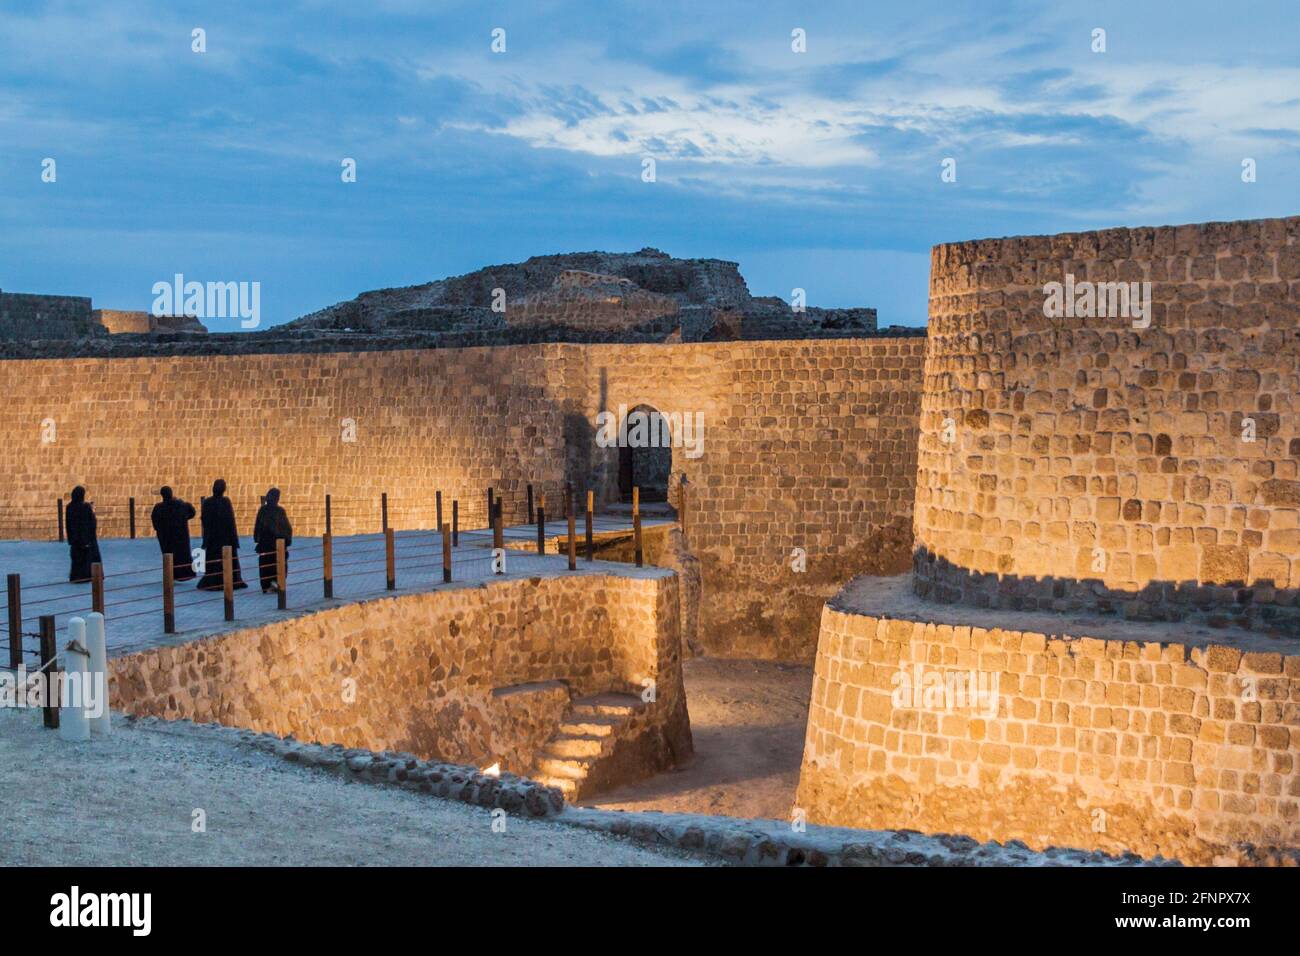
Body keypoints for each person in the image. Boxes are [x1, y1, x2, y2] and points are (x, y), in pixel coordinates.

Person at [196, 479, 247, 590]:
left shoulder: (208, 502)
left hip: (213, 538)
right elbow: (230, 522)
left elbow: (205, 521)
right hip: (226, 538)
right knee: (227, 560)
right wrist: (234, 540)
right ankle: (231, 580)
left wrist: (206, 539)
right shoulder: (225, 502)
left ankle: (213, 581)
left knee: (214, 562)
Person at [150, 486, 197, 581]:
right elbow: (192, 511)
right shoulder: (181, 505)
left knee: (169, 557)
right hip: (180, 537)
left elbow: (155, 522)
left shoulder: (158, 508)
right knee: (182, 556)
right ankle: (185, 574)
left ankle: (170, 575)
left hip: (166, 538)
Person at [253, 487, 293, 593]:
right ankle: (276, 584)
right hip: (277, 545)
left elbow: (258, 527)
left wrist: (257, 539)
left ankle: (266, 586)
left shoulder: (263, 510)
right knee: (278, 565)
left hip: (265, 545)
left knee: (265, 567)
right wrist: (287, 540)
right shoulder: (280, 511)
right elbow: (286, 528)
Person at [65, 486, 102, 584]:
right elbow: (92, 522)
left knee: (77, 561)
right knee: (88, 560)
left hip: (75, 541)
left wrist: (71, 539)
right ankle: (88, 576)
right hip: (86, 540)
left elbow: (68, 524)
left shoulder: (69, 507)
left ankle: (76, 577)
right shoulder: (86, 507)